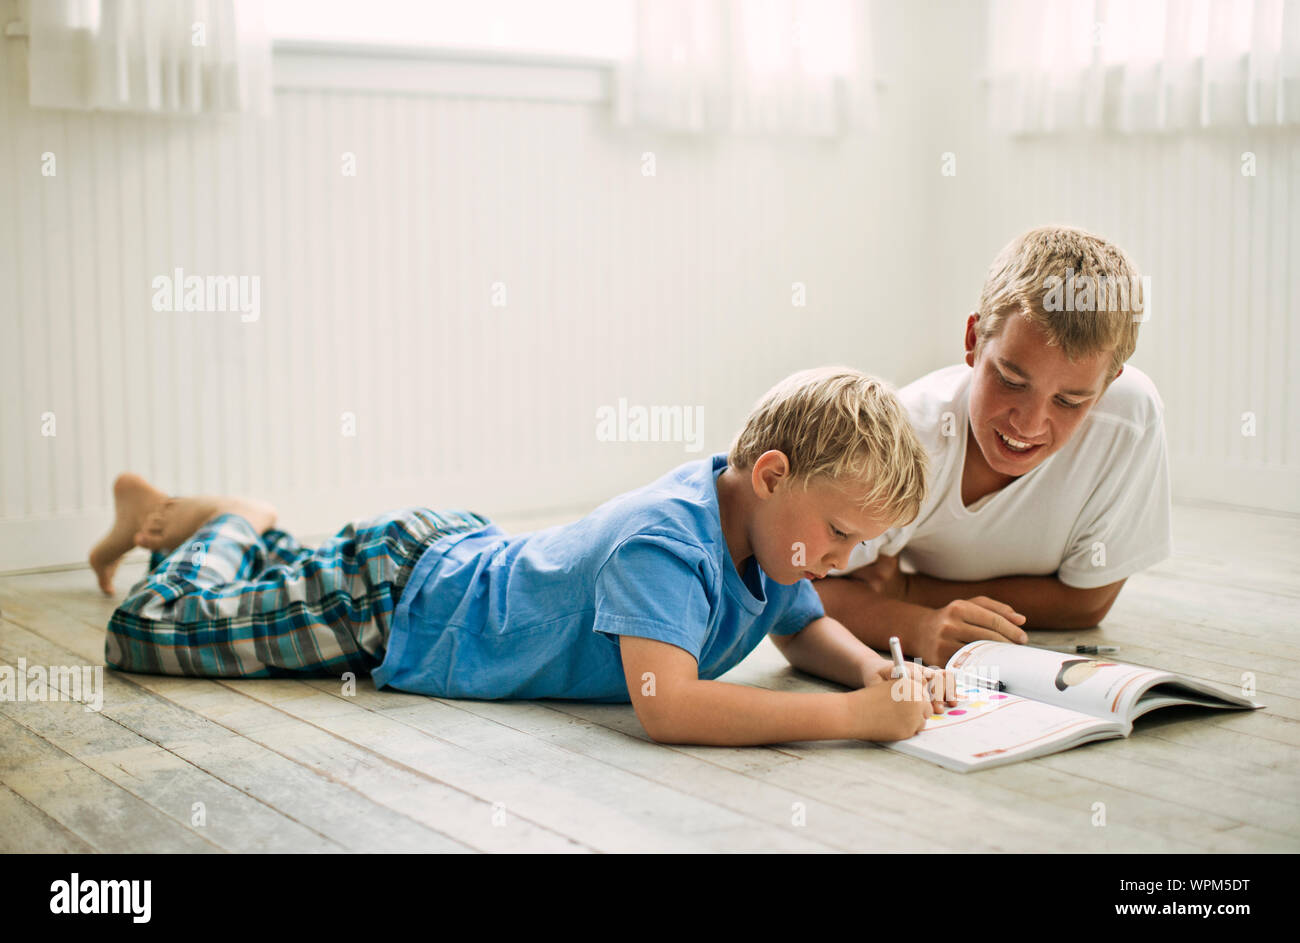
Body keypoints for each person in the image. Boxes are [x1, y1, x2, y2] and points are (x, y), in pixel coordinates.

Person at [90, 366, 955, 747]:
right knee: (147, 628)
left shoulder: (775, 545)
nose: (842, 559)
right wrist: (848, 722)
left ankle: (223, 528)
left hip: (449, 557)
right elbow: (671, 707)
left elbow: (803, 633)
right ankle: (236, 520)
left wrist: (878, 677)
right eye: (840, 532)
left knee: (284, 586)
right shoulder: (667, 541)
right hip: (393, 602)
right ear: (770, 475)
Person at [814, 226, 1171, 666]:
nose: (1029, 423)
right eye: (1010, 380)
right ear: (973, 340)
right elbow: (800, 589)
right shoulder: (906, 439)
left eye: (1069, 401)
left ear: (1106, 387)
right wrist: (916, 627)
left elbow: (1087, 603)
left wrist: (908, 594)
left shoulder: (1129, 416)